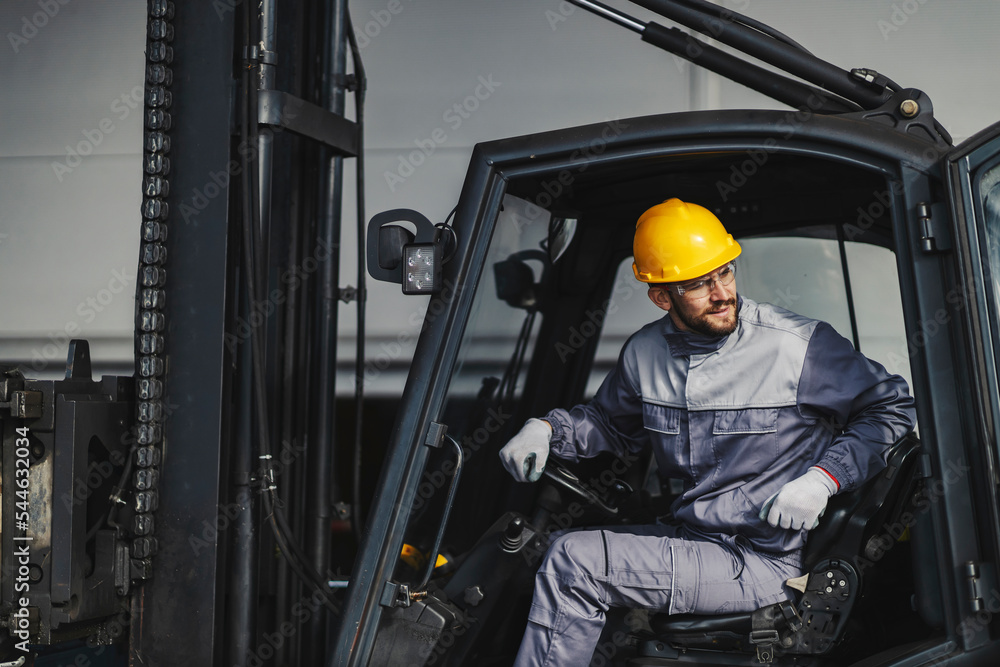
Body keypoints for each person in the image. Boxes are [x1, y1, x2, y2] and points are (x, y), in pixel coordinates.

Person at [498, 198, 916, 666]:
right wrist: (545, 430)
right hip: (691, 537)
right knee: (558, 551)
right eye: (698, 283)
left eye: (725, 273)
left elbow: (890, 407)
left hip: (761, 558)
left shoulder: (796, 346)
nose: (721, 293)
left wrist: (824, 478)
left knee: (574, 563)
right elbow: (607, 427)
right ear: (661, 296)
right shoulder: (644, 354)